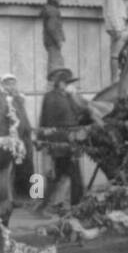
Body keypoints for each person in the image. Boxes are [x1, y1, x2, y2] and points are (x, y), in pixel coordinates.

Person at [36, 69, 92, 214]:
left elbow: (83, 113)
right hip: (60, 142)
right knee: (71, 175)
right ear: (61, 84)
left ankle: (45, 205)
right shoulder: (51, 97)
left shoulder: (68, 97)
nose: (71, 86)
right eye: (68, 83)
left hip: (71, 142)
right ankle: (74, 206)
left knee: (63, 175)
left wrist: (74, 96)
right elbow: (46, 121)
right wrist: (47, 143)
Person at [101, 0, 128, 84]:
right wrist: (118, 28)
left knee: (117, 53)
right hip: (117, 28)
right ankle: (114, 80)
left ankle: (116, 78)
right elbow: (112, 13)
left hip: (117, 27)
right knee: (115, 54)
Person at [40, 0, 66, 77]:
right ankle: (53, 85)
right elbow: (51, 27)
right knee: (56, 65)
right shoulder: (52, 10)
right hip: (53, 42)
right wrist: (58, 40)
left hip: (49, 41)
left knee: (56, 63)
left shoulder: (48, 8)